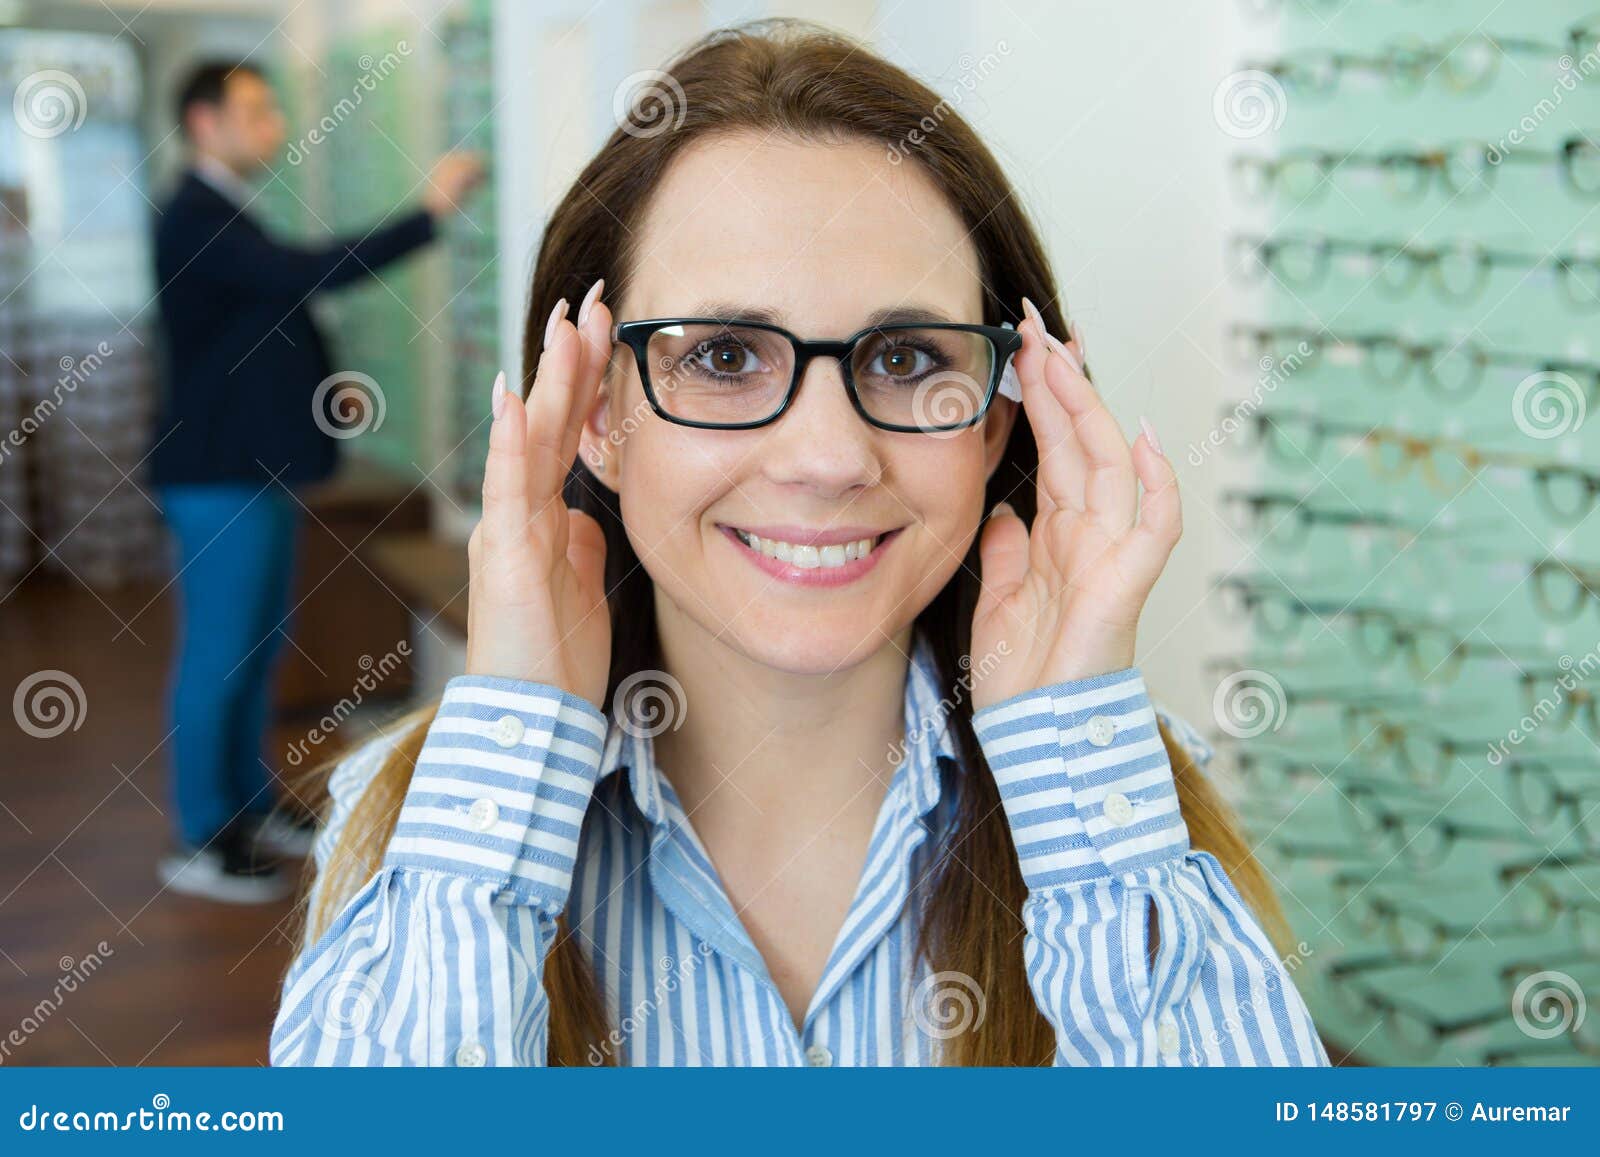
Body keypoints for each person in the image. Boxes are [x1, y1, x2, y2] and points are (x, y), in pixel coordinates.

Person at [271, 21, 1329, 1065]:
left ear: (1005, 413)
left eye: (909, 357)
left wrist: (1073, 759)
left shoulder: (1128, 799)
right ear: (594, 408)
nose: (828, 456)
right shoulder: (427, 816)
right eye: (725, 354)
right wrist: (516, 742)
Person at [149, 61, 483, 903]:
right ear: (204, 121)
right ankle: (201, 836)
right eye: (255, 110)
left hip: (251, 470)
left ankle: (249, 805)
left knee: (259, 642)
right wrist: (428, 213)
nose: (274, 125)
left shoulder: (224, 209)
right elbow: (303, 273)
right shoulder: (192, 215)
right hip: (215, 474)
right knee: (220, 651)